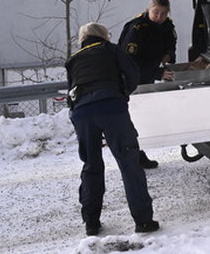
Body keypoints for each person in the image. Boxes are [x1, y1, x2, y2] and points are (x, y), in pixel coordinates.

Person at [65, 22, 160, 236]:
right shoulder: (113, 50)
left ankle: (91, 223)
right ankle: (143, 221)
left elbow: (71, 91)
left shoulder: (73, 60)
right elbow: (133, 75)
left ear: (83, 40)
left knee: (91, 165)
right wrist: (121, 93)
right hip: (112, 108)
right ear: (104, 36)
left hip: (82, 114)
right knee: (130, 164)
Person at [121, 0, 177, 169]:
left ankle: (138, 153)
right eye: (156, 12)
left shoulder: (167, 25)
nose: (159, 17)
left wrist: (169, 54)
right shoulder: (137, 29)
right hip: (130, 79)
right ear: (149, 9)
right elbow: (130, 62)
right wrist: (157, 73)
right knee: (133, 119)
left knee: (141, 119)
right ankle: (134, 156)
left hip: (147, 76)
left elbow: (171, 42)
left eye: (163, 13)